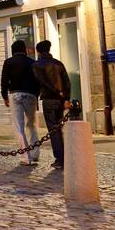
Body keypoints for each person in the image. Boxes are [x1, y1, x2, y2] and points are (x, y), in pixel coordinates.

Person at [1, 39, 41, 166]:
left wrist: (5, 97)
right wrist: (36, 95)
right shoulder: (32, 62)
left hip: (15, 94)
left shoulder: (8, 62)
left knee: (19, 127)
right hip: (30, 95)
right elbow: (37, 81)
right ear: (24, 50)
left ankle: (26, 157)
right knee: (32, 125)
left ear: (13, 51)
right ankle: (35, 154)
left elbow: (4, 81)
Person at [33, 39, 72, 170]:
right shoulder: (58, 63)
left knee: (53, 130)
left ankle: (60, 159)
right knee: (58, 128)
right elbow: (67, 82)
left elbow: (42, 82)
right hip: (60, 101)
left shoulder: (38, 65)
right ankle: (64, 157)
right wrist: (66, 97)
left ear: (38, 51)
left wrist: (57, 92)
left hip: (49, 100)